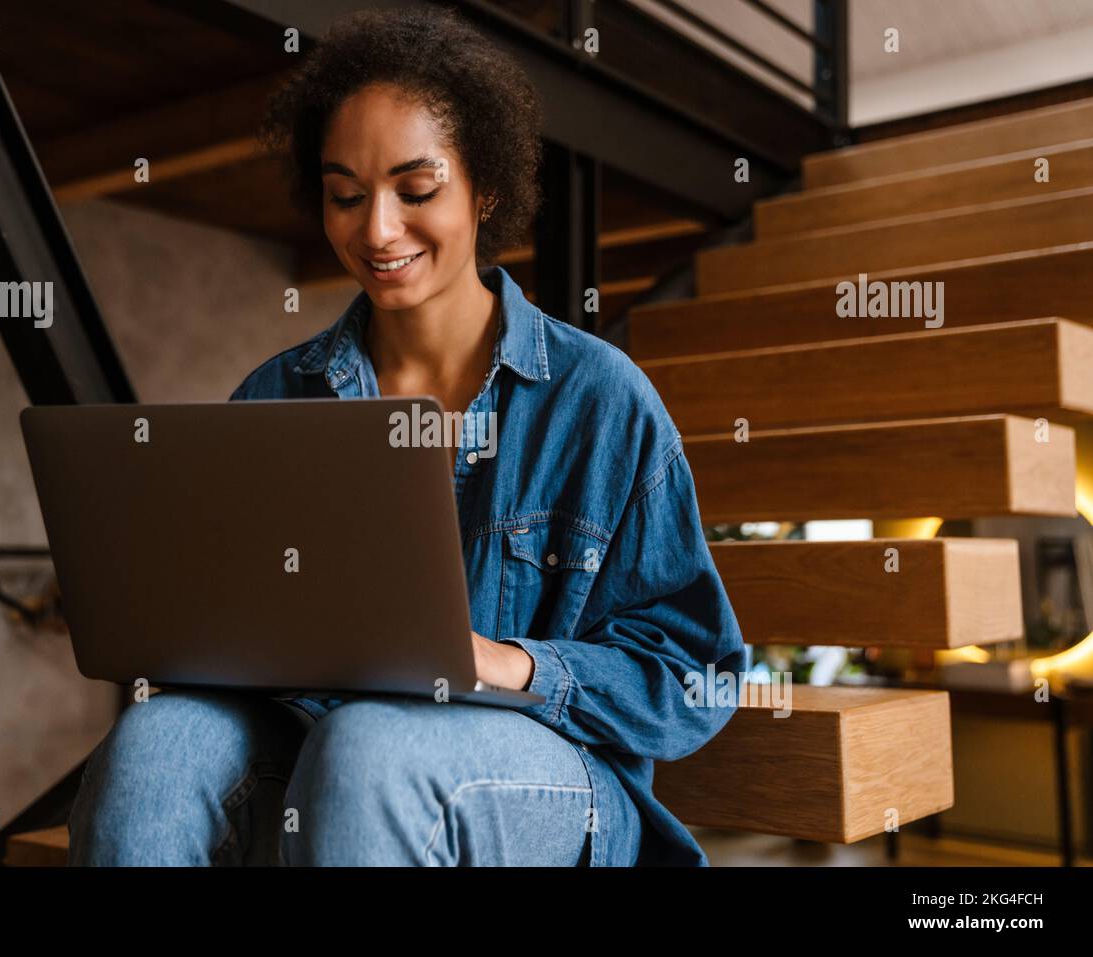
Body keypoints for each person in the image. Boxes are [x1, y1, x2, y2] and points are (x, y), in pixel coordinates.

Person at [68, 5, 745, 867]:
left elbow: (694, 675)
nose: (376, 230)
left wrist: (510, 665)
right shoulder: (278, 394)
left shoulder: (599, 398)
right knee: (154, 744)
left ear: (486, 188)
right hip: (318, 751)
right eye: (345, 195)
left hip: (548, 779)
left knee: (371, 748)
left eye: (416, 190)